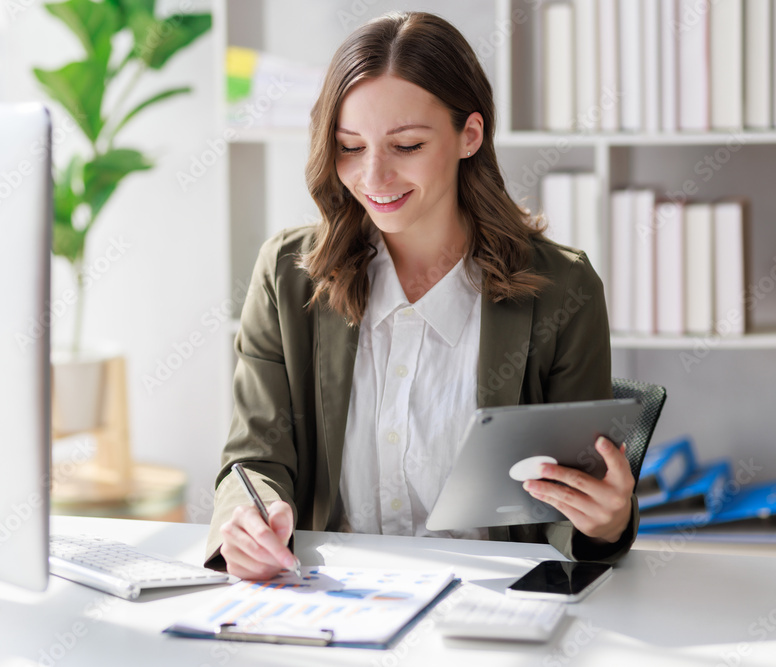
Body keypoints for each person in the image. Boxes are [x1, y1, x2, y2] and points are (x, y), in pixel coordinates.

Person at [205, 11, 637, 579]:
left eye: (406, 145)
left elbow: (564, 503)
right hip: (330, 600)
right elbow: (254, 460)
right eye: (350, 147)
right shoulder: (287, 276)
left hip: (493, 604)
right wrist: (245, 520)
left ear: (470, 135)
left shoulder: (563, 290)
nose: (374, 178)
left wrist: (604, 522)